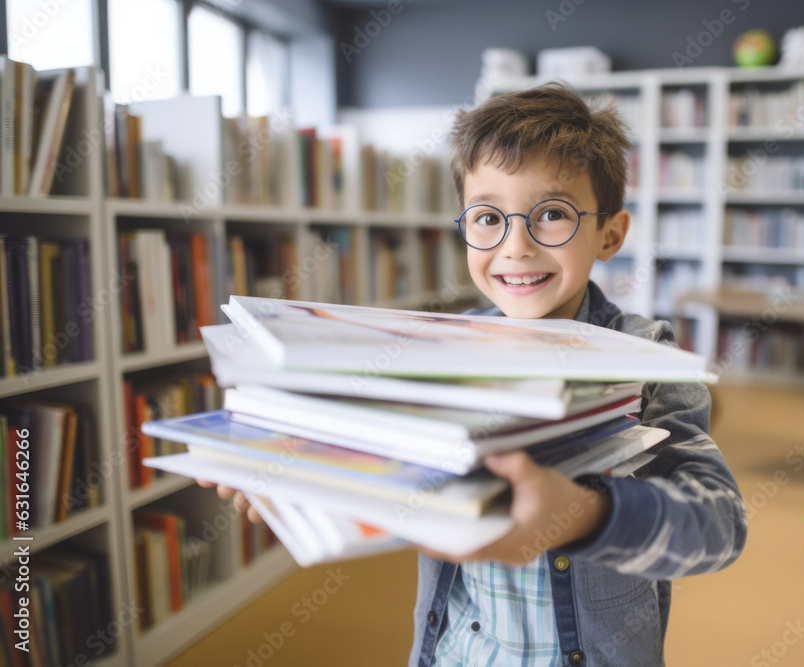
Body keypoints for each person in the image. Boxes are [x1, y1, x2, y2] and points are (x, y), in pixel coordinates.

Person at [202, 82, 747, 666]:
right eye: (488, 217)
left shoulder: (646, 357)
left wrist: (583, 513)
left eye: (554, 214)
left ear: (610, 234)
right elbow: (396, 469)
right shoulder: (442, 348)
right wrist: (299, 481)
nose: (515, 247)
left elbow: (718, 526)